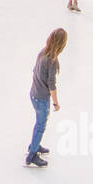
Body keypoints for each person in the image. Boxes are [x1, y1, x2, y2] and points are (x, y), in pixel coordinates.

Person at [24, 28, 66, 169]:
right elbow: (52, 85)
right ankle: (32, 155)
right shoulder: (52, 61)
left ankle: (34, 144)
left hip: (34, 93)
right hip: (41, 98)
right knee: (41, 126)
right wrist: (56, 103)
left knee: (38, 123)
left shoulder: (43, 52)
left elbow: (35, 70)